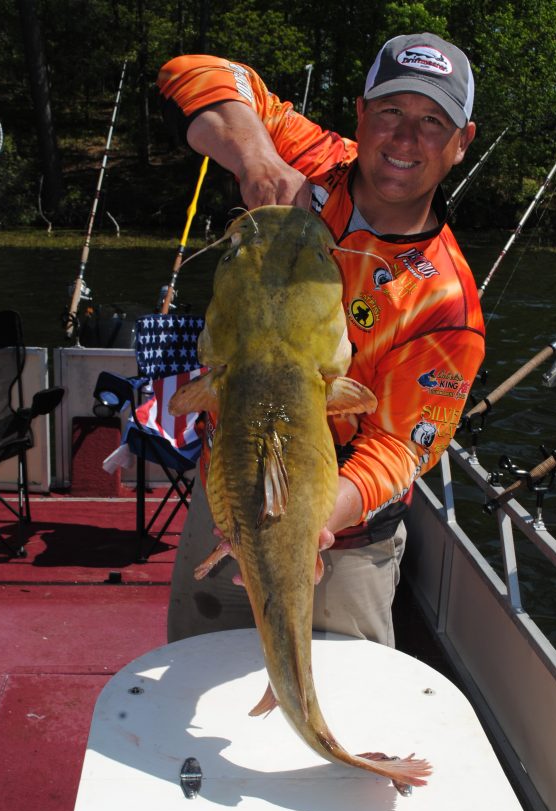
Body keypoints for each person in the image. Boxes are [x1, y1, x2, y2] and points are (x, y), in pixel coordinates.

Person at [157, 33, 485, 645]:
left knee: (331, 703)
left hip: (344, 543)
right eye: (390, 111)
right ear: (360, 114)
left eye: (433, 121)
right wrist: (255, 156)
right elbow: (191, 70)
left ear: (462, 143)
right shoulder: (311, 157)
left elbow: (397, 447)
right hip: (225, 486)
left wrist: (306, 519)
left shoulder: (448, 306)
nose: (406, 138)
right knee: (193, 684)